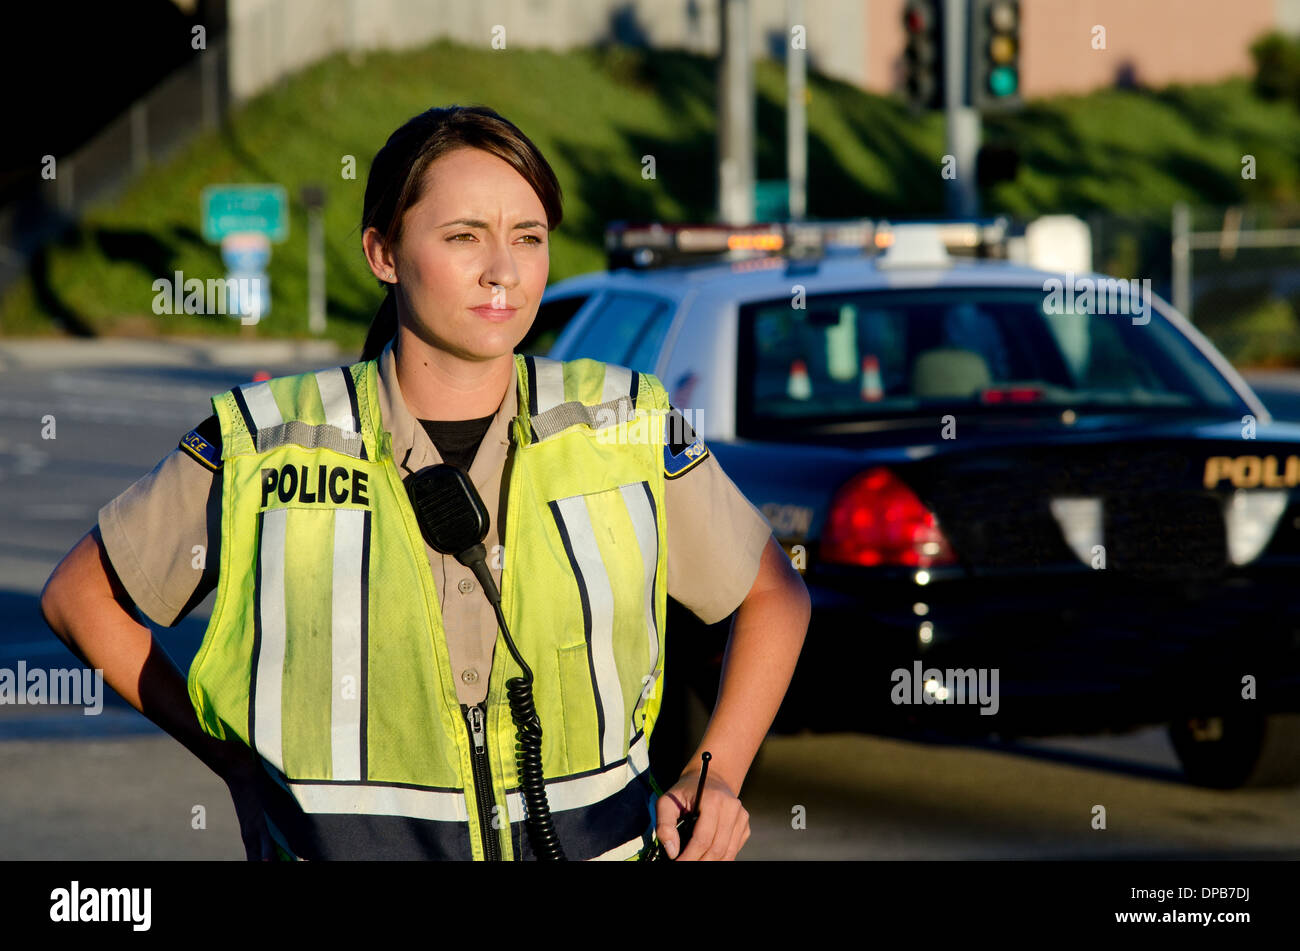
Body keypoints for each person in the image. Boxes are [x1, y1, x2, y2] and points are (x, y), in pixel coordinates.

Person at [40, 104, 810, 861]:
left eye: (528, 237)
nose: (504, 270)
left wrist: (719, 775)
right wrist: (234, 763)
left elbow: (774, 592)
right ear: (383, 252)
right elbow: (80, 597)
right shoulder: (263, 441)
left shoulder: (629, 418)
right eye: (463, 236)